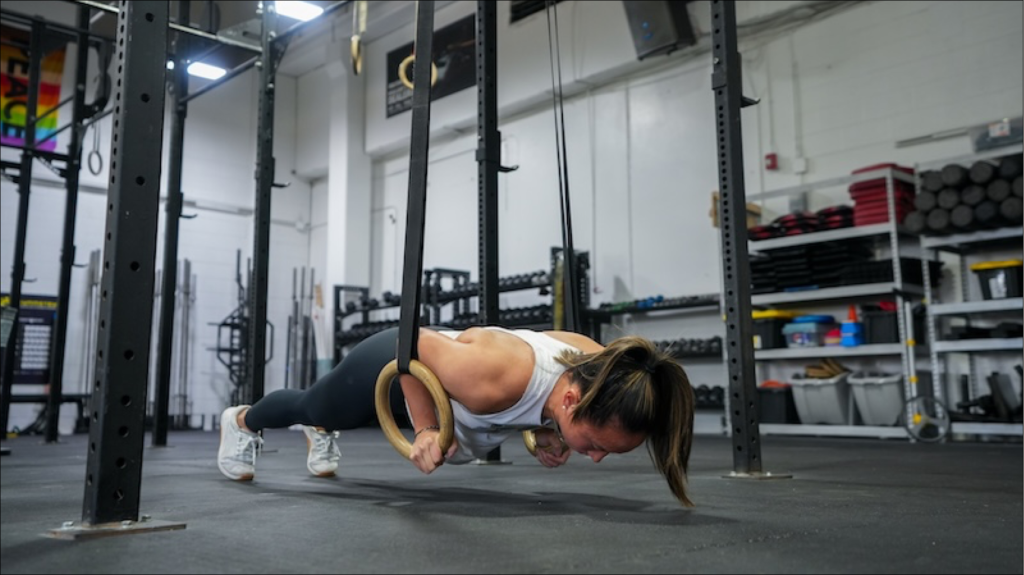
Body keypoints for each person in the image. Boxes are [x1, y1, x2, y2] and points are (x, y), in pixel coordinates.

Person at [217, 325, 697, 507]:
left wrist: (549, 429)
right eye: (593, 444)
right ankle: (241, 422)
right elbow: (412, 344)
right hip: (397, 361)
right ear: (572, 402)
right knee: (314, 405)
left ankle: (324, 428)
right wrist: (427, 428)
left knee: (338, 416)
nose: (594, 458)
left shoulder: (600, 368)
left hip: (445, 378)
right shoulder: (496, 375)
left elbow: (546, 398)